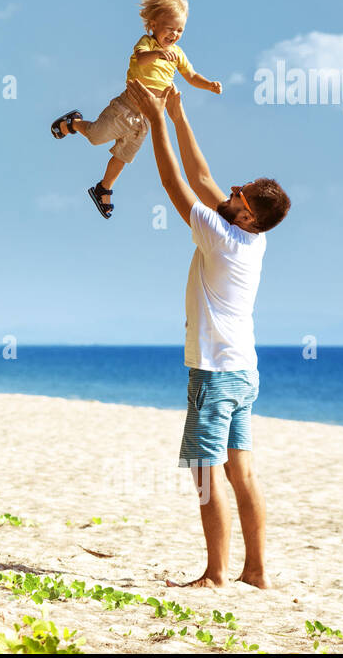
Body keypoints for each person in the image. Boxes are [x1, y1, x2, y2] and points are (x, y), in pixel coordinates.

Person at [124, 78, 290, 589]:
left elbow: (177, 182)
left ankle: (216, 574)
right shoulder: (251, 238)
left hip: (215, 374)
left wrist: (153, 123)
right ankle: (256, 572)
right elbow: (202, 173)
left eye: (236, 195)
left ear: (249, 215)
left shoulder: (221, 237)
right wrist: (177, 114)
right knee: (242, 473)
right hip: (244, 373)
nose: (228, 192)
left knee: (204, 475)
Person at [50, 0, 223, 219]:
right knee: (95, 137)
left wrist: (209, 84)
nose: (174, 35)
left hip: (147, 120)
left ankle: (104, 187)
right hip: (127, 107)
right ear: (153, 25)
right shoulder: (148, 44)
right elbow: (141, 59)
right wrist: (160, 54)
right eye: (170, 28)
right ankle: (73, 123)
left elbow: (191, 76)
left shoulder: (178, 53)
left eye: (180, 30)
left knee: (123, 156)